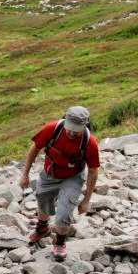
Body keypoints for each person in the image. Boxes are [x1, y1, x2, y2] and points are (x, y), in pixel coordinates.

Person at [20, 105, 100, 261]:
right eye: (69, 128)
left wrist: (86, 199)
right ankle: (42, 228)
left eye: (76, 130)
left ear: (84, 126)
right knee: (43, 200)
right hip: (50, 173)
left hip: (73, 177)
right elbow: (34, 149)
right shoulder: (52, 129)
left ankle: (60, 242)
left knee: (64, 213)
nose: (71, 132)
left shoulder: (89, 142)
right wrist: (25, 174)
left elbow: (93, 171)